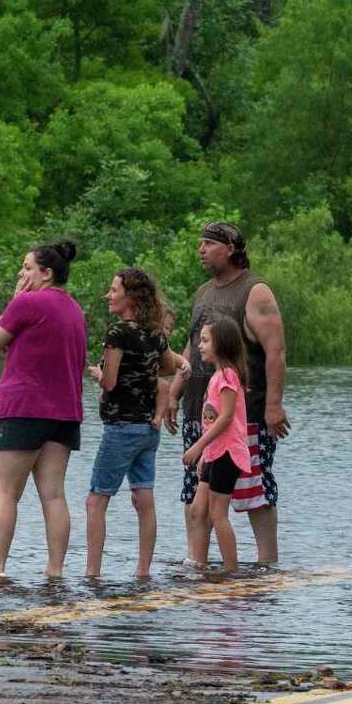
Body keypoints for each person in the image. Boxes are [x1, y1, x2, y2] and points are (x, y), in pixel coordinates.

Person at [171, 222, 289, 564]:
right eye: (200, 243)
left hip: (244, 414)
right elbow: (193, 345)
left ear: (232, 248)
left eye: (209, 243)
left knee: (255, 491)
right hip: (199, 409)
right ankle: (199, 565)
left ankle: (267, 564)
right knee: (197, 492)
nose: (201, 249)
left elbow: (276, 350)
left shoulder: (255, 291)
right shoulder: (203, 292)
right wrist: (174, 391)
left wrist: (274, 404)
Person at [0, 240, 88, 579]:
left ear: (47, 273)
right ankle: (55, 570)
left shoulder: (27, 302)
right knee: (54, 495)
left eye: (27, 268)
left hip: (25, 408)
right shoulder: (74, 309)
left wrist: (15, 300)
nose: (22, 273)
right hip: (64, 413)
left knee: (6, 493)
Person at [84, 267, 187, 578]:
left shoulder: (117, 333)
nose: (108, 295)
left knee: (96, 500)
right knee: (144, 498)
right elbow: (169, 366)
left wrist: (99, 374)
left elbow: (111, 383)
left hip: (121, 427)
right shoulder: (156, 334)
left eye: (114, 290)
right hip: (148, 429)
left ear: (129, 296)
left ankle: (92, 574)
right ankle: (142, 572)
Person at [181, 318, 251, 572]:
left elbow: (226, 417)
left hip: (227, 453)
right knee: (198, 509)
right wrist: (205, 455)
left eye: (206, 340)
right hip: (214, 453)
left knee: (217, 514)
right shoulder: (216, 377)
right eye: (200, 340)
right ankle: (197, 562)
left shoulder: (228, 376)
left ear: (221, 344)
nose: (200, 345)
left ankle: (230, 568)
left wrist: (198, 446)